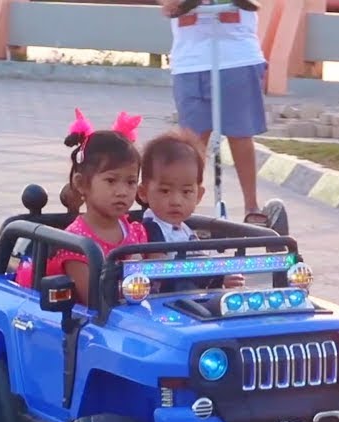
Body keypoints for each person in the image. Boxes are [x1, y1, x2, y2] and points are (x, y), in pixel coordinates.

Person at [16, 108, 147, 307]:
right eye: (111, 181)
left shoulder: (130, 229)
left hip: (126, 317)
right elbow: (94, 300)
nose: (122, 191)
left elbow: (143, 279)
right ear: (82, 184)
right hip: (83, 327)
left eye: (130, 182)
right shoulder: (77, 243)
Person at [160, 0, 270, 226]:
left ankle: (251, 206)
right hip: (191, 61)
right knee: (191, 143)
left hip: (236, 56)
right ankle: (184, 211)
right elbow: (169, 6)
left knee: (240, 134)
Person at [139, 128, 245, 290]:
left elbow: (200, 260)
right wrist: (214, 277)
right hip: (164, 301)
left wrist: (221, 275)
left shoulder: (186, 230)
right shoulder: (151, 228)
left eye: (186, 192)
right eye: (165, 191)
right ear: (143, 193)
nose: (176, 201)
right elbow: (162, 271)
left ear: (199, 195)